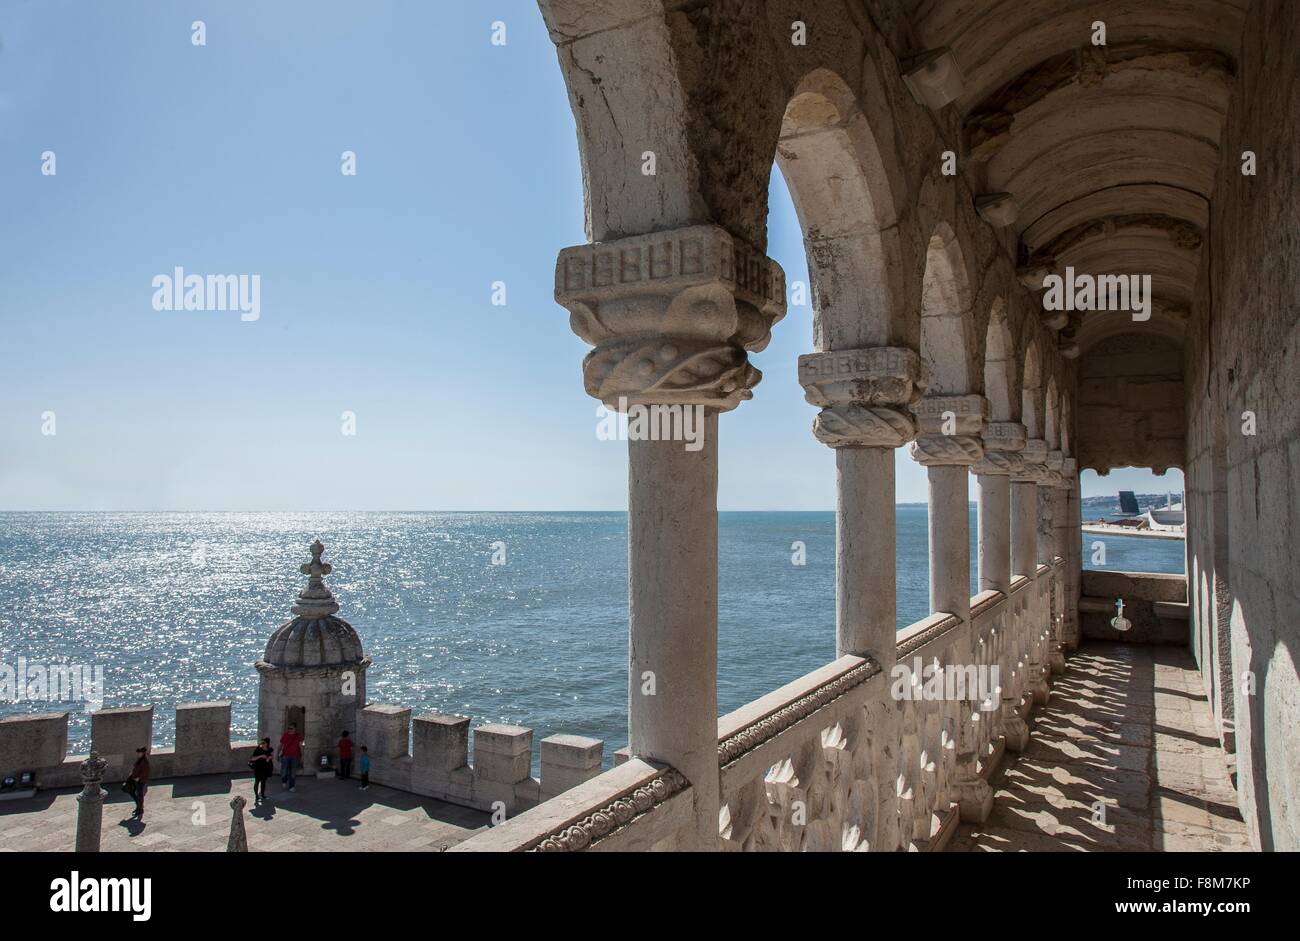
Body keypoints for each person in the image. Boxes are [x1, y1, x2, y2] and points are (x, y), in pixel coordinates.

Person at [278, 723, 303, 792]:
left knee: (293, 772)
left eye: (291, 728)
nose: (289, 730)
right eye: (288, 728)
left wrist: (302, 756)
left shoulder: (297, 736)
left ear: (295, 729)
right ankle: (284, 781)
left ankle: (292, 786)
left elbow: (300, 747)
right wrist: (278, 754)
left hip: (294, 756)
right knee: (284, 770)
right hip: (285, 755)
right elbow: (281, 745)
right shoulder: (285, 735)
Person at [127, 746, 150, 820]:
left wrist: (138, 778)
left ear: (143, 753)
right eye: (138, 753)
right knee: (132, 792)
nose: (138, 754)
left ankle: (140, 809)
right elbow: (136, 768)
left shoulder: (145, 761)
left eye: (140, 753)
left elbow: (145, 772)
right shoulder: (140, 760)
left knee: (140, 795)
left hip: (141, 781)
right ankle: (139, 806)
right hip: (135, 779)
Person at [249, 737, 274, 803]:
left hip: (266, 768)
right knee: (257, 782)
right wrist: (261, 756)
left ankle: (263, 795)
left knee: (263, 782)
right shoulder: (258, 749)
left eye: (264, 743)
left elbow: (271, 756)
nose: (262, 744)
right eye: (261, 742)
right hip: (258, 768)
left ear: (267, 743)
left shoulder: (269, 749)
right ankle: (256, 796)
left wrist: (269, 757)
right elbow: (252, 758)